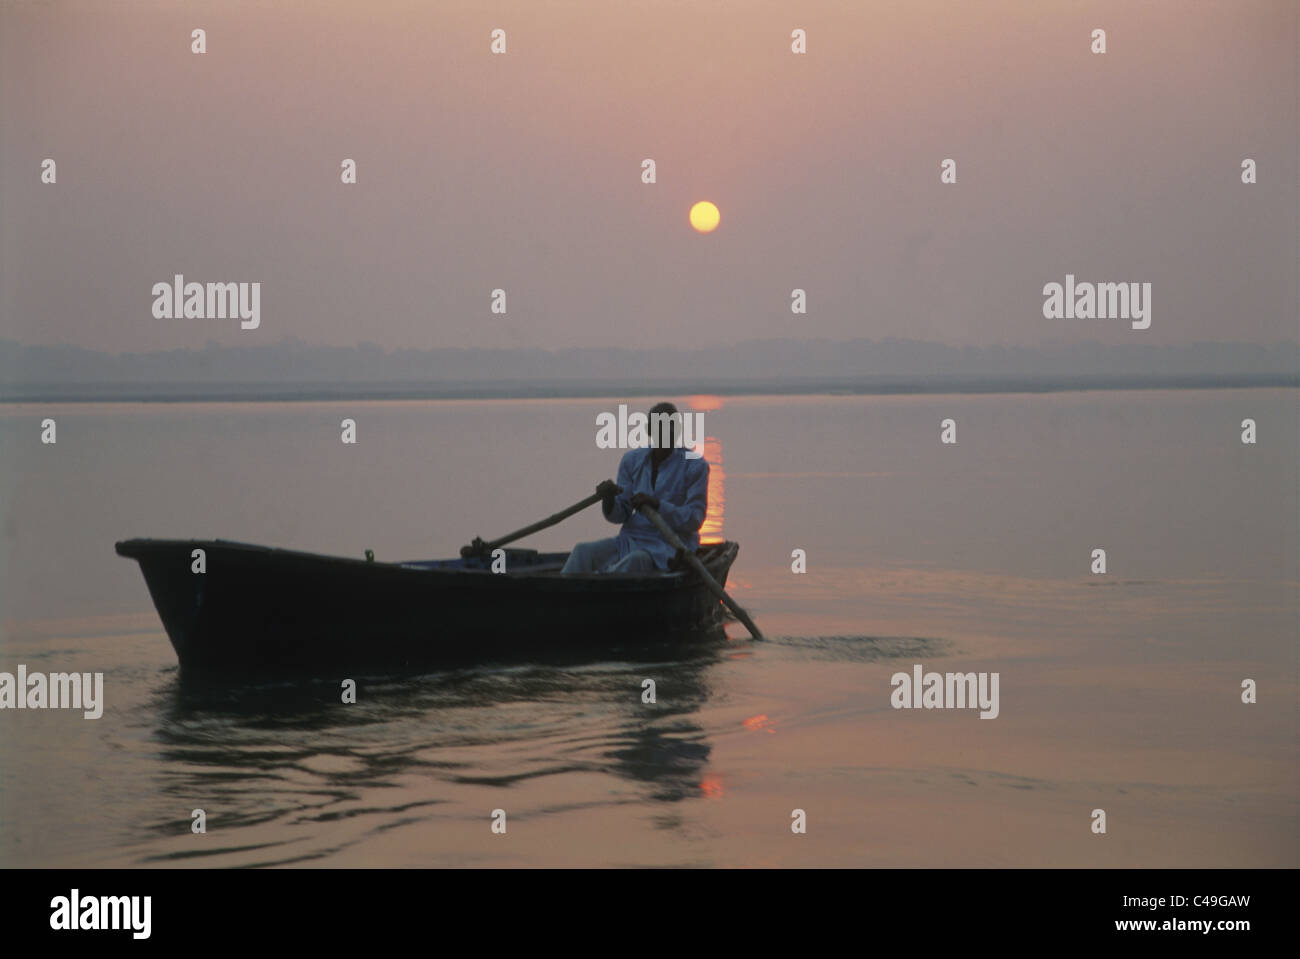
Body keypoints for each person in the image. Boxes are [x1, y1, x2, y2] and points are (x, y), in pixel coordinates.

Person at [561, 402, 709, 574]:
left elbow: (694, 519)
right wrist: (608, 500)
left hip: (670, 547)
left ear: (677, 430)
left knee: (636, 561)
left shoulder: (695, 465)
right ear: (648, 430)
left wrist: (657, 505)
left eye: (669, 427)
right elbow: (621, 513)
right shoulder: (632, 461)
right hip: (630, 540)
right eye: (658, 427)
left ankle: (603, 588)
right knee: (582, 552)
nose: (664, 433)